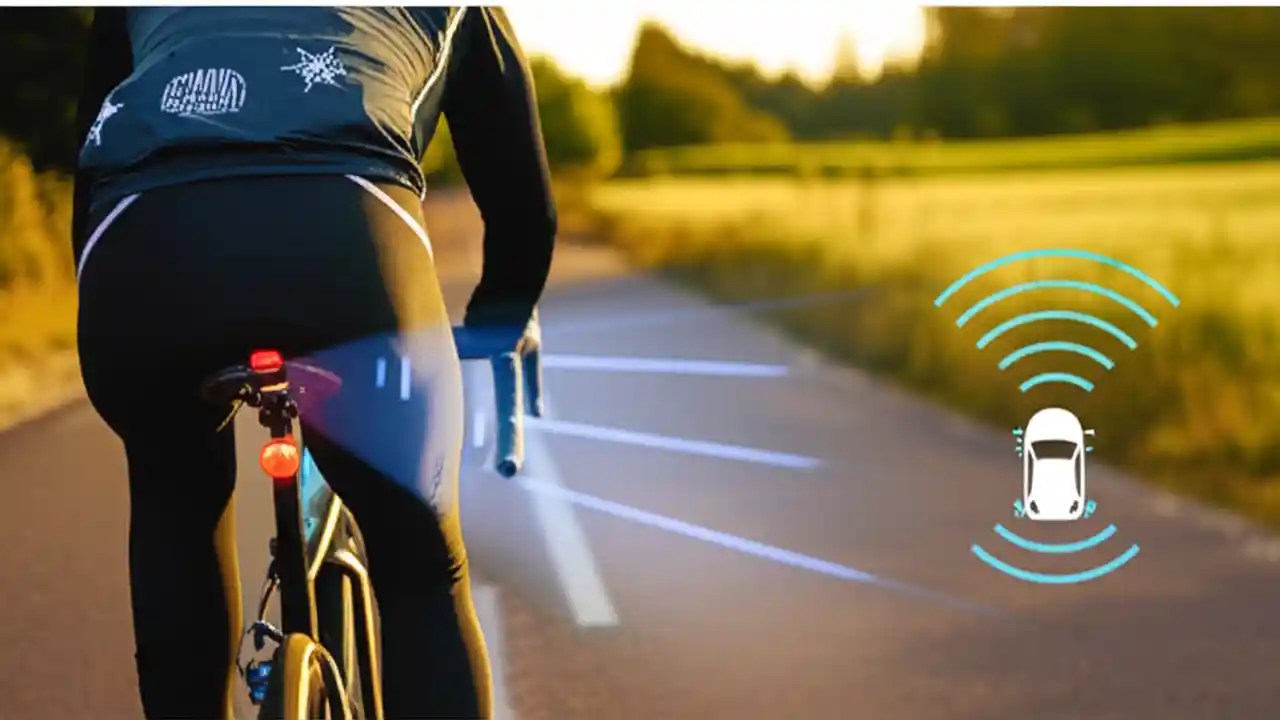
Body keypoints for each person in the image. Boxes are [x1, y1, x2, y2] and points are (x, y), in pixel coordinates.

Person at [72, 7, 556, 719]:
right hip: (345, 236)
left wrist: (120, 325)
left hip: (142, 243)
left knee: (176, 504)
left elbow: (93, 148)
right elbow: (522, 202)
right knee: (422, 568)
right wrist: (500, 317)